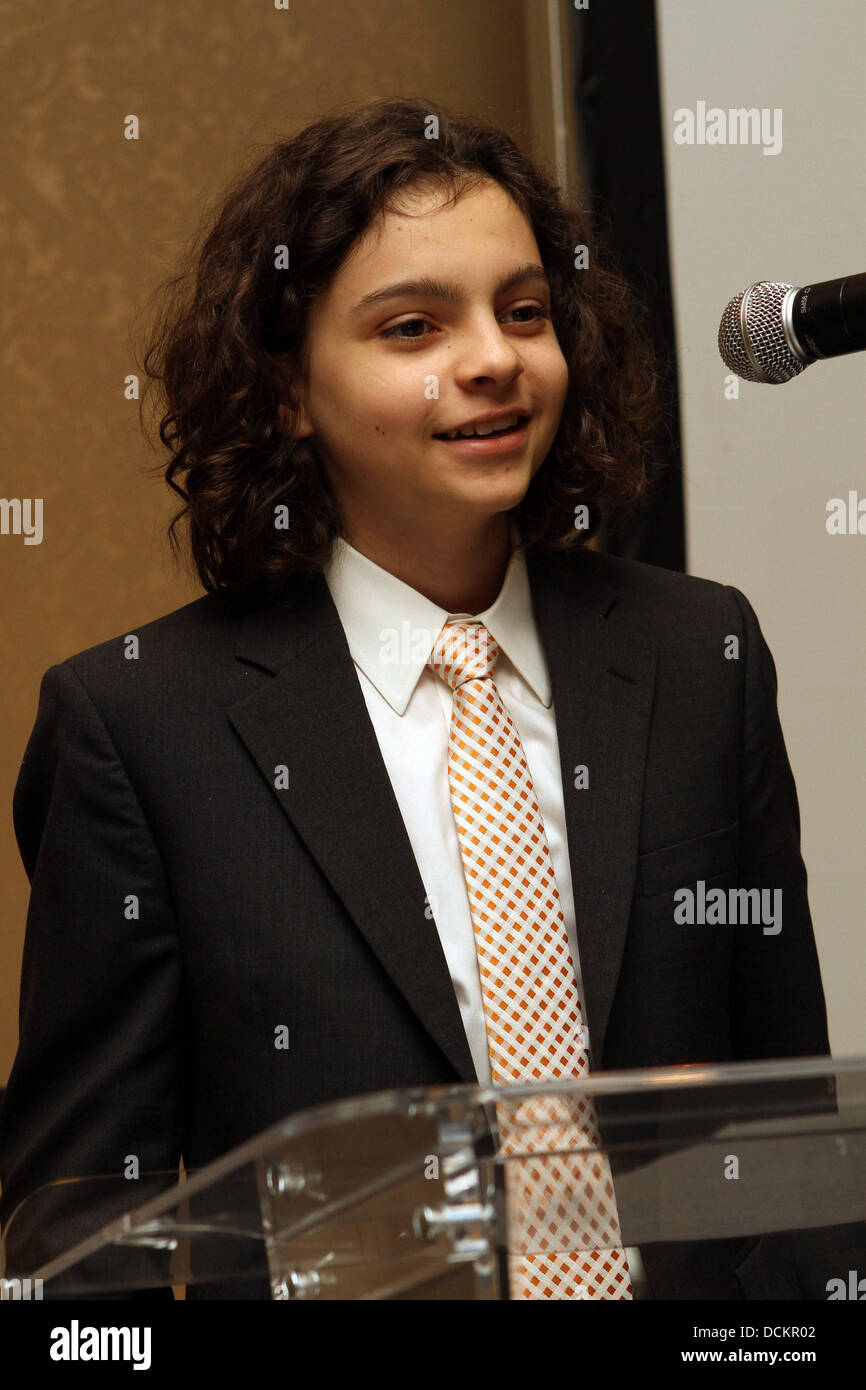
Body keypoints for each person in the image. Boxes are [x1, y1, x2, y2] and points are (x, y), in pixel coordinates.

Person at [0, 95, 830, 1300]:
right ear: (286, 389)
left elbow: (791, 1128)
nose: (492, 356)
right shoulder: (138, 728)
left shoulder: (699, 653)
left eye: (524, 311)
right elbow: (83, 1232)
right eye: (412, 326)